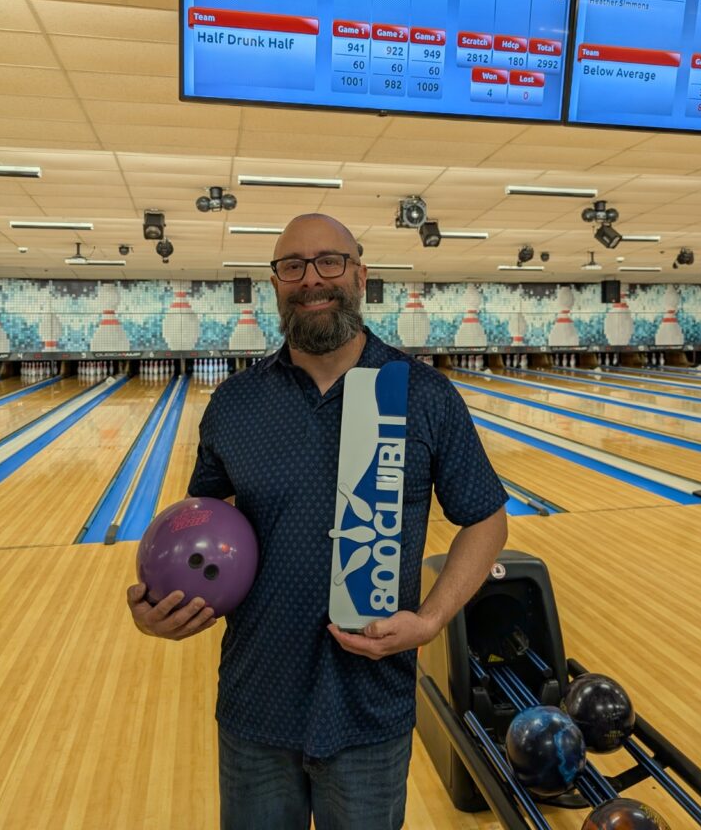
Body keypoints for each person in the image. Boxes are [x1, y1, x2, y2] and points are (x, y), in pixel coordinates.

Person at [127, 213, 508, 830]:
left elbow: (487, 520)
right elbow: (203, 529)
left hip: (368, 710)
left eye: (330, 262)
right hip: (257, 704)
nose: (312, 279)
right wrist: (166, 605)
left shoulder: (425, 396)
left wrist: (433, 619)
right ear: (275, 284)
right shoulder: (234, 404)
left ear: (360, 274)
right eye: (292, 267)